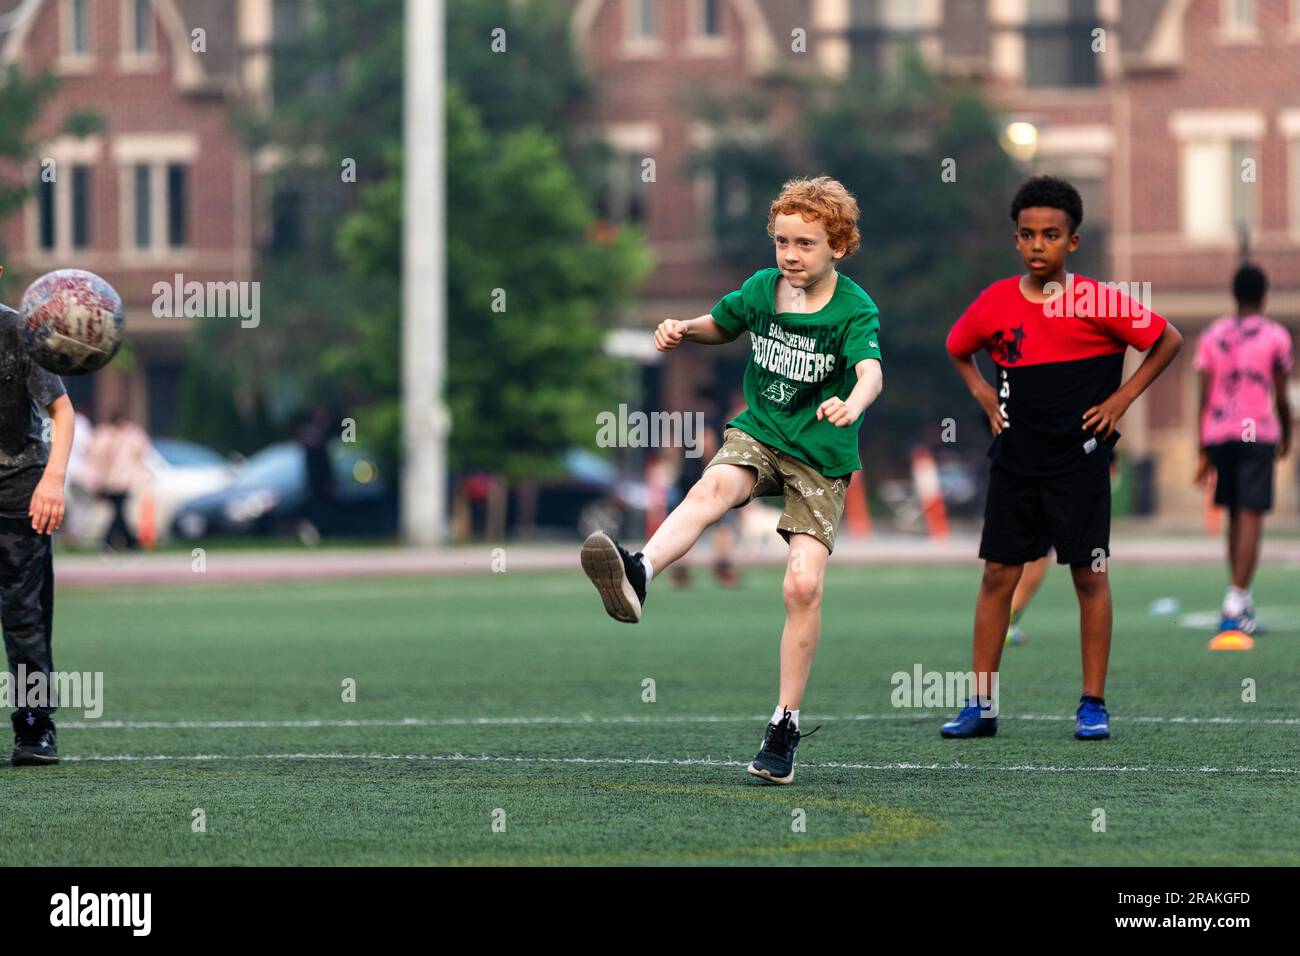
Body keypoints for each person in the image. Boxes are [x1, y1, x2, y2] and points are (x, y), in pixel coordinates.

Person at [580, 176, 883, 784]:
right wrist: (682, 328)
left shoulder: (855, 308)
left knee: (801, 588)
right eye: (782, 241)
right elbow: (724, 321)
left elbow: (871, 370)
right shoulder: (762, 289)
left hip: (820, 456)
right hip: (761, 433)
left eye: (805, 243)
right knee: (711, 489)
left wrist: (853, 402)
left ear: (839, 247)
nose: (790, 255)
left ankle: (784, 724)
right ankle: (640, 572)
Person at [942, 176, 1182, 741]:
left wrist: (1121, 399)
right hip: (1015, 462)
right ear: (1016, 239)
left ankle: (1092, 703)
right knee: (998, 574)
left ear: (1072, 242)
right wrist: (981, 394)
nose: (1037, 245)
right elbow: (958, 348)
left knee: (1089, 576)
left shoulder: (1097, 301)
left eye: (1051, 235)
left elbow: (1167, 339)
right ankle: (981, 704)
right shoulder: (995, 302)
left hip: (1080, 463)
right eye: (1027, 235)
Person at [1194, 263, 1293, 634]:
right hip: (1255, 431)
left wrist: (1201, 447)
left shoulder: (1212, 334)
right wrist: (1287, 433)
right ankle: (1236, 599)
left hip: (1219, 431)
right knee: (1251, 511)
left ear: (1233, 294)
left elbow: (1202, 395)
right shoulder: (1275, 335)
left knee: (1235, 512)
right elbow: (1281, 394)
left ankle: (1240, 596)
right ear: (1264, 295)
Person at [0, 269, 74, 765]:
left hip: (19, 489)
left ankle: (34, 728)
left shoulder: (19, 332)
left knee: (25, 616)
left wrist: (53, 479)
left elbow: (62, 411)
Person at [85, 408, 152, 552]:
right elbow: (96, 455)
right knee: (119, 511)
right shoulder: (105, 434)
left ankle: (114, 542)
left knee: (119, 511)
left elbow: (141, 452)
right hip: (111, 480)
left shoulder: (130, 433)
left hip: (123, 480)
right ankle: (128, 543)